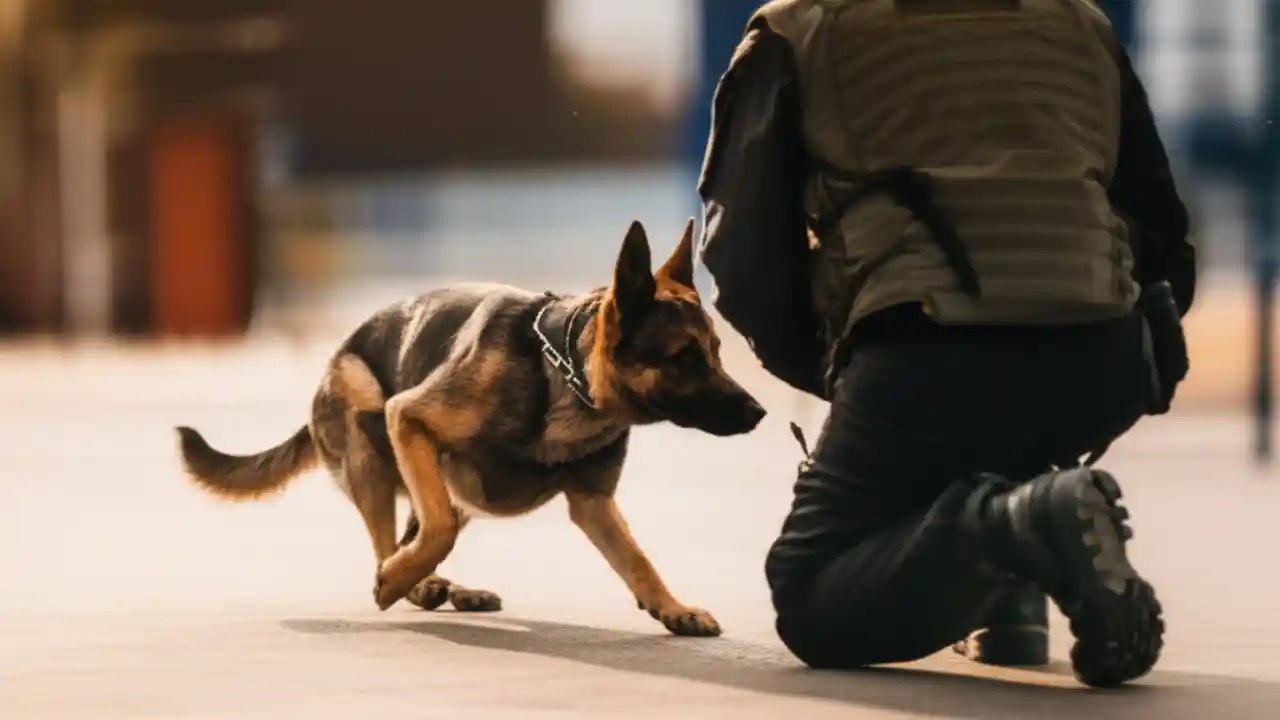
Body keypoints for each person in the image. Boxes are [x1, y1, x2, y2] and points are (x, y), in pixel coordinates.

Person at [696, 0, 1194, 688]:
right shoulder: (1079, 20)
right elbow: (1162, 230)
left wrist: (839, 372)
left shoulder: (799, 26)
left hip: (927, 347)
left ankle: (1012, 529)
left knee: (811, 592)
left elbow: (743, 257)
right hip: (1103, 360)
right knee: (972, 423)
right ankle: (1016, 573)